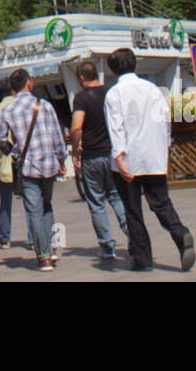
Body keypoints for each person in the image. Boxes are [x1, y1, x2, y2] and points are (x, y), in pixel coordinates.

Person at [104, 49, 195, 273]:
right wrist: (165, 148)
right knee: (161, 203)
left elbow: (116, 130)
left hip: (128, 160)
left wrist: (119, 160)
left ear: (112, 70)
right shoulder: (153, 90)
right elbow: (165, 121)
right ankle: (180, 232)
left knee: (133, 210)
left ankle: (142, 259)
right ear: (135, 65)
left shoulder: (114, 94)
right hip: (153, 156)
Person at [0, 69, 66, 272]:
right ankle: (51, 248)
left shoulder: (7, 110)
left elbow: (0, 139)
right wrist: (61, 160)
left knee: (34, 210)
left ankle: (43, 258)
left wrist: (11, 150)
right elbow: (57, 135)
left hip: (26, 166)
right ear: (29, 84)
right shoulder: (45, 105)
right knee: (47, 205)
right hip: (49, 165)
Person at [70, 60, 128, 266]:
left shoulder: (81, 98)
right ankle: (132, 233)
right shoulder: (110, 93)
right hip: (112, 154)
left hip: (92, 156)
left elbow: (77, 127)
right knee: (116, 196)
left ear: (81, 78)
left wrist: (75, 150)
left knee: (96, 203)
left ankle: (106, 246)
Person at [0, 77, 30, 251]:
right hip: (25, 160)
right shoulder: (23, 106)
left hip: (5, 161)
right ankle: (33, 238)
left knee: (5, 202)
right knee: (30, 201)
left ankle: (4, 238)